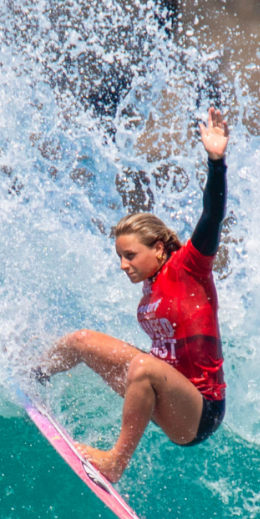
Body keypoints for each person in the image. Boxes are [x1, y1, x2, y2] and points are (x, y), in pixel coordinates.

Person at [38, 108, 230, 483]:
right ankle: (33, 372)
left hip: (199, 411)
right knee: (81, 341)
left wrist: (216, 162)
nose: (123, 265)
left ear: (159, 249)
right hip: (166, 387)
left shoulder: (190, 267)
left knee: (142, 367)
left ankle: (114, 464)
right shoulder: (149, 290)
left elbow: (212, 216)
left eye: (130, 255)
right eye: (119, 257)